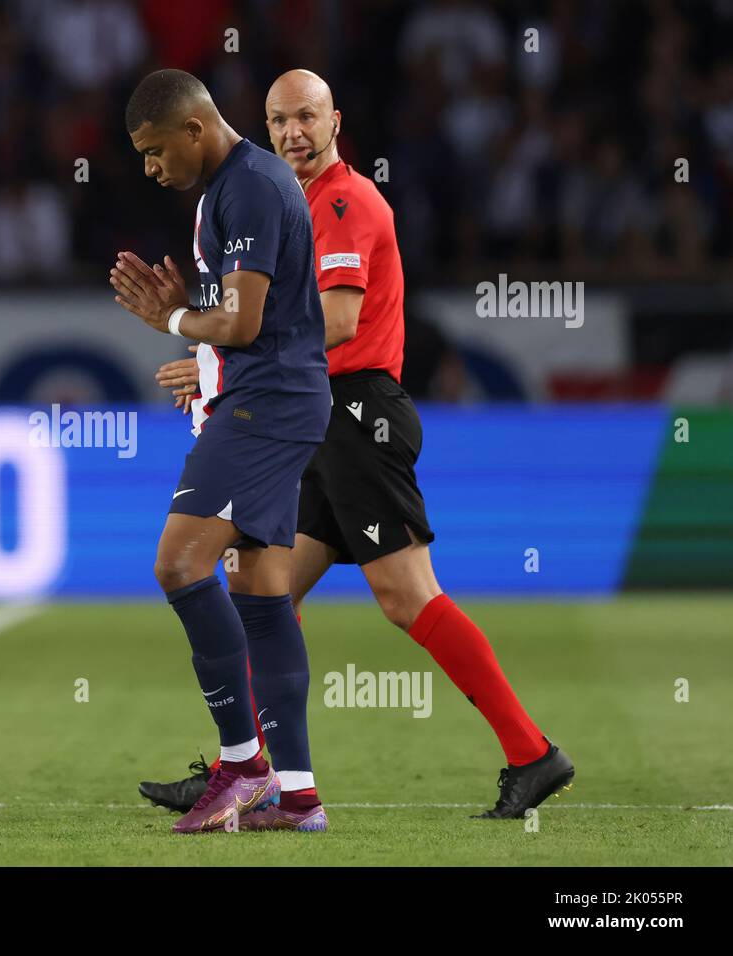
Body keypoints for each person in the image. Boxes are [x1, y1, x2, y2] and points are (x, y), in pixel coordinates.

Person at [140, 69, 574, 821]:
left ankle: (532, 752)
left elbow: (337, 325)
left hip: (355, 417)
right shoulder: (287, 199)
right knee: (265, 592)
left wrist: (218, 360)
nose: (291, 134)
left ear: (335, 120)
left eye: (306, 117)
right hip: (316, 421)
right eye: (277, 121)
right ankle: (249, 768)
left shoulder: (342, 201)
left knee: (406, 598)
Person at [111, 68, 331, 832]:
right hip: (274, 398)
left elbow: (241, 324)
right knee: (263, 598)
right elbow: (244, 316)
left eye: (152, 150)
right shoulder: (232, 189)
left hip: (266, 408)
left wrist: (173, 321)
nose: (150, 167)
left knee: (178, 562)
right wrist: (192, 323)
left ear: (194, 129)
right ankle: (298, 797)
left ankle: (241, 763)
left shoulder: (248, 188)